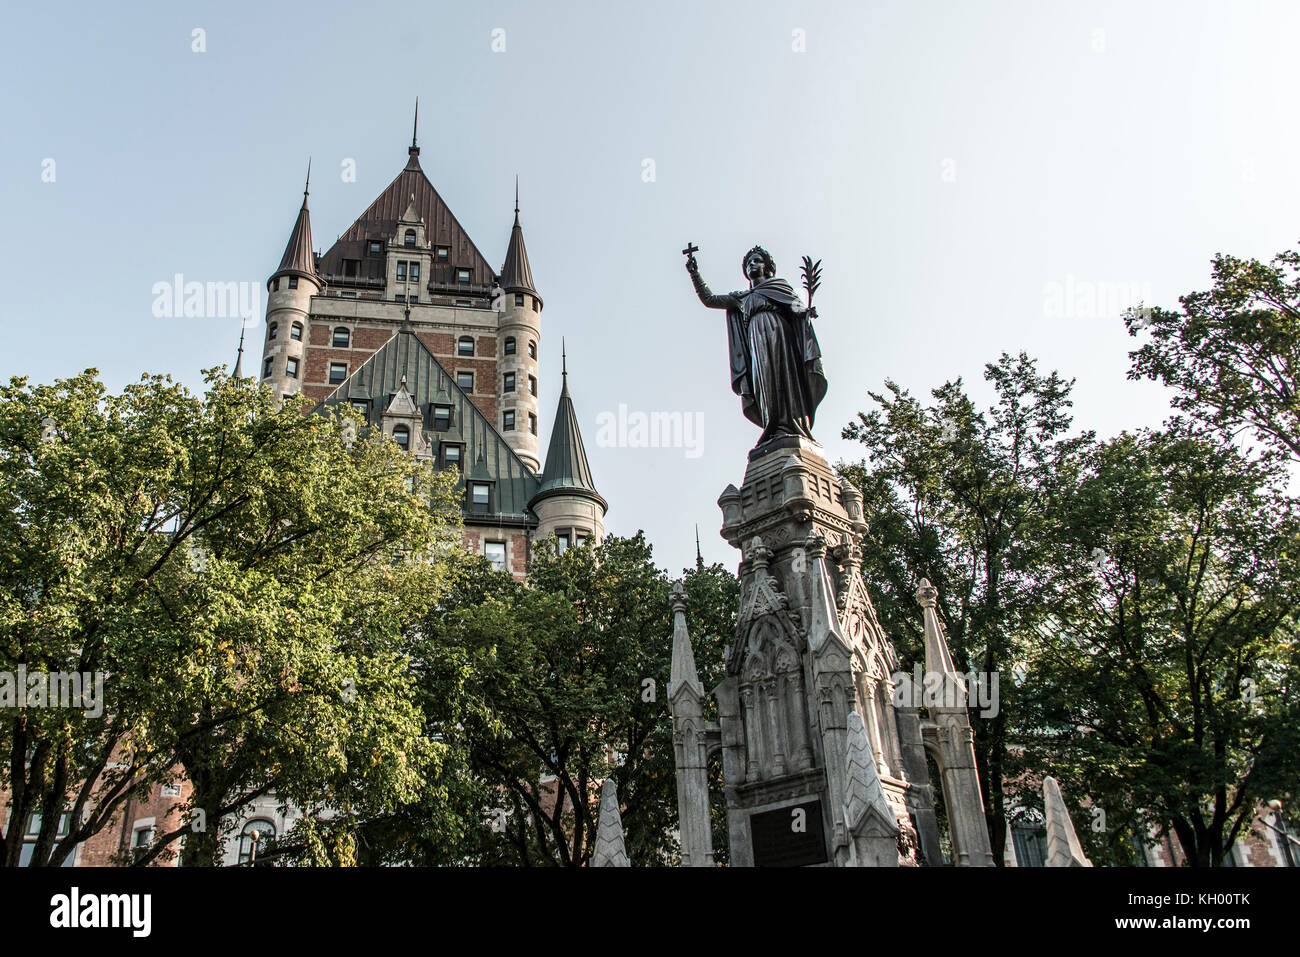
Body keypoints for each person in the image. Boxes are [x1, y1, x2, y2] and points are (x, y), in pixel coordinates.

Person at [686, 245, 827, 448]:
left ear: (768, 267)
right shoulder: (741, 297)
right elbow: (710, 300)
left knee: (784, 376)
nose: (753, 264)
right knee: (765, 381)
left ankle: (792, 425)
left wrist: (806, 312)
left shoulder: (779, 286)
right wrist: (694, 274)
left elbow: (796, 307)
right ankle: (773, 427)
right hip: (756, 342)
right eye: (749, 263)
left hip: (779, 334)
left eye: (757, 260)